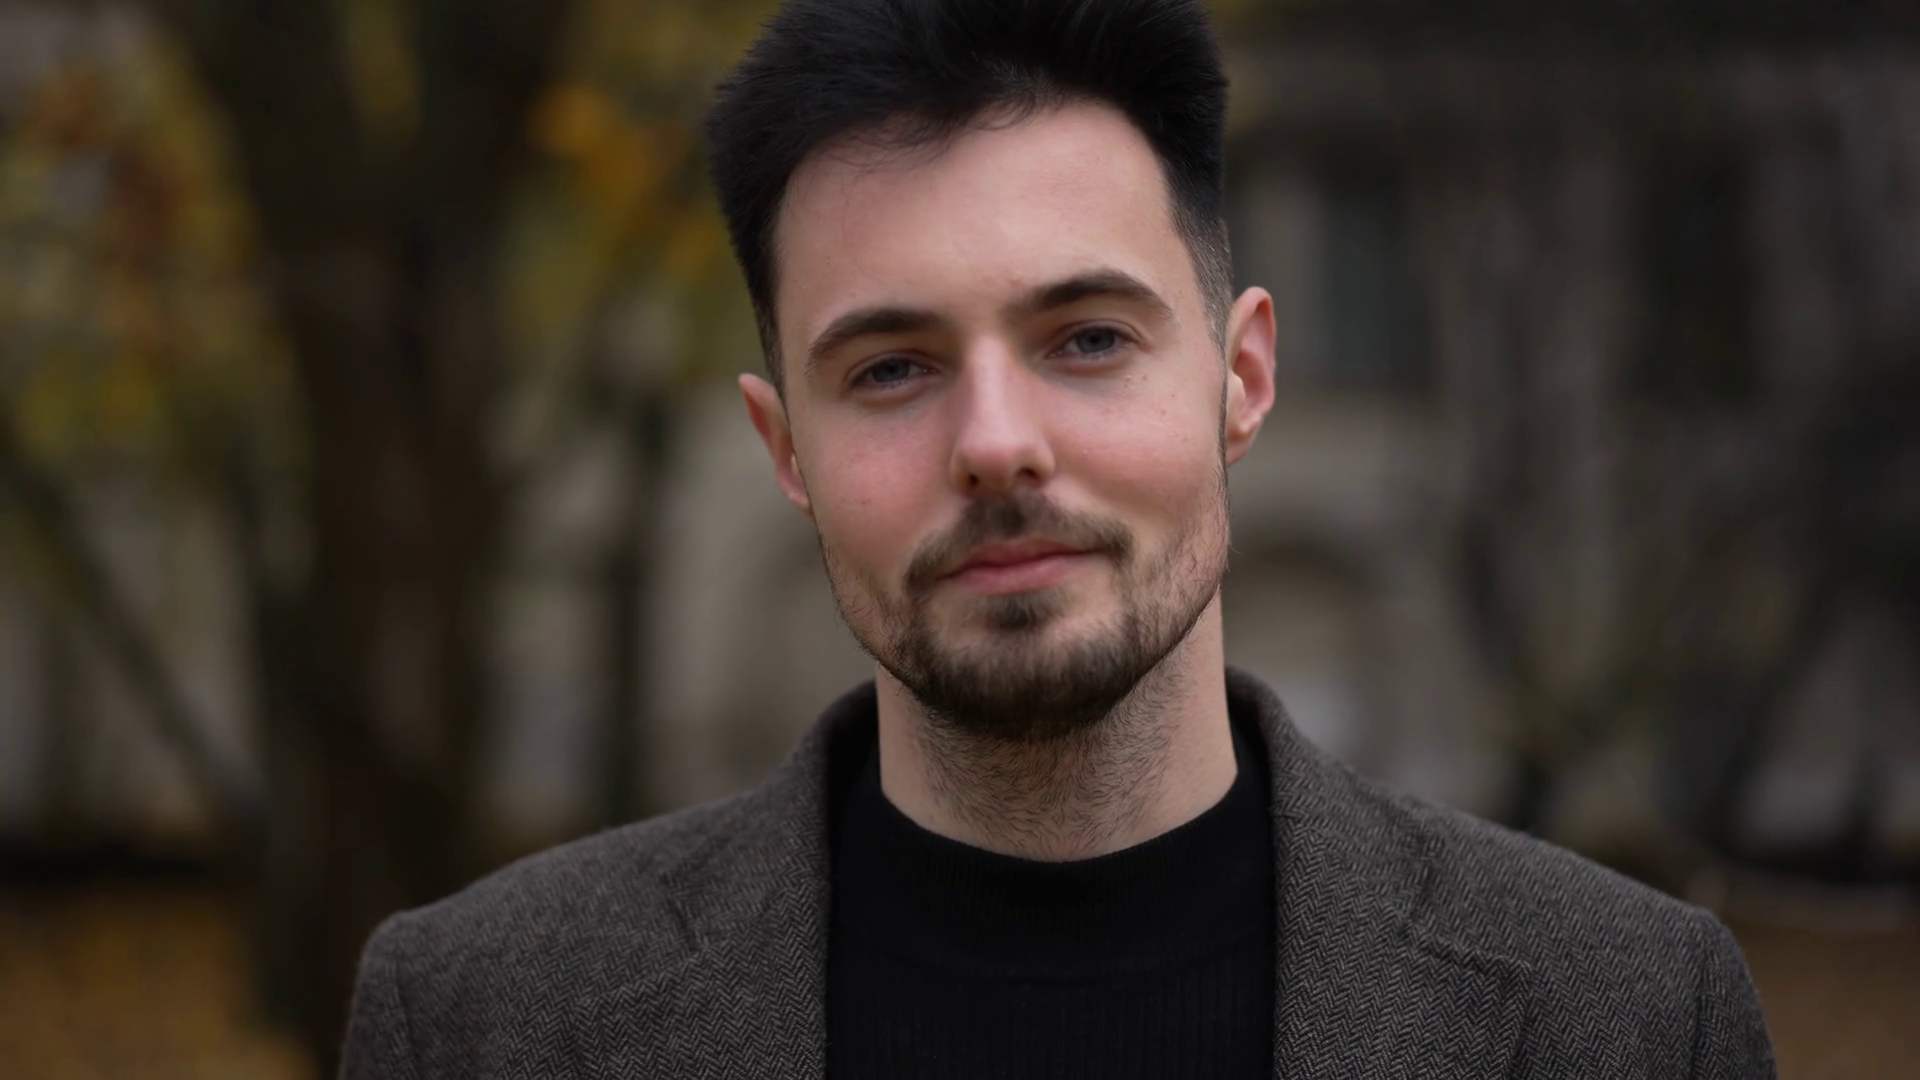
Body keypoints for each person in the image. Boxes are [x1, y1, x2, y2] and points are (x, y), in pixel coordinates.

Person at [339, 1, 1776, 1076]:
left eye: (1086, 338)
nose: (995, 442)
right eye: (890, 367)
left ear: (1241, 376)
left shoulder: (1633, 1019)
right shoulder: (475, 1021)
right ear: (787, 451)